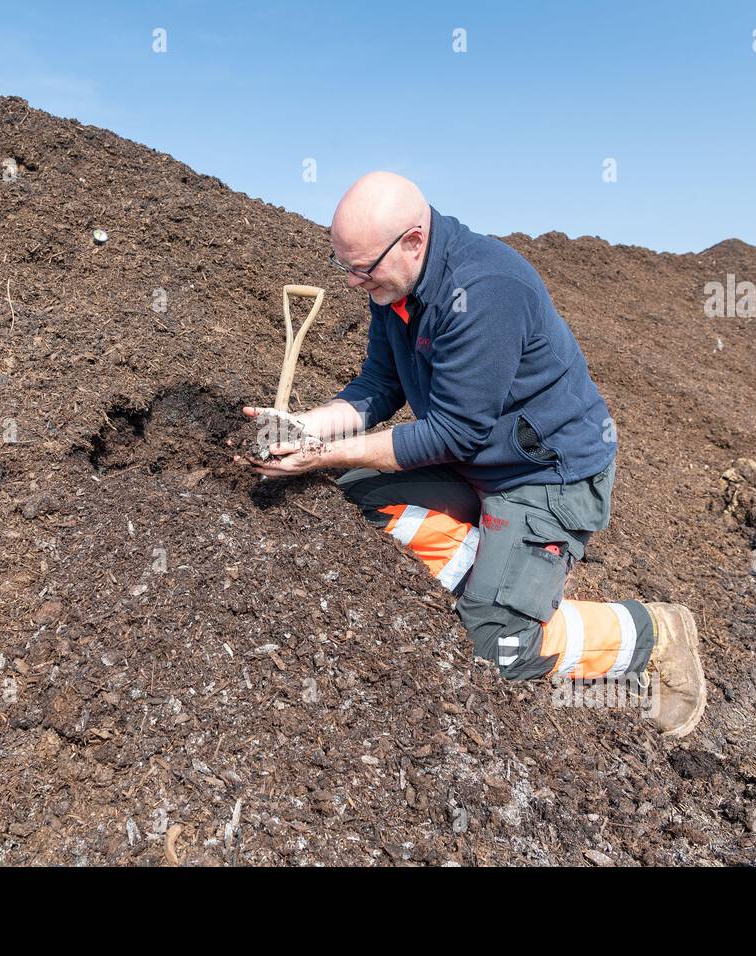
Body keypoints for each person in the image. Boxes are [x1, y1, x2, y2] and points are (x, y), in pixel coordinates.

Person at [241, 171, 705, 737]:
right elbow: (378, 387)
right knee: (350, 494)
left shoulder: (488, 289)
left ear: (413, 240)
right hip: (478, 458)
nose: (353, 283)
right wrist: (308, 429)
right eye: (346, 268)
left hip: (545, 476)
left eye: (363, 269)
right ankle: (495, 566)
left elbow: (452, 433)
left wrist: (324, 454)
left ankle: (649, 633)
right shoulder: (394, 288)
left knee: (499, 650)